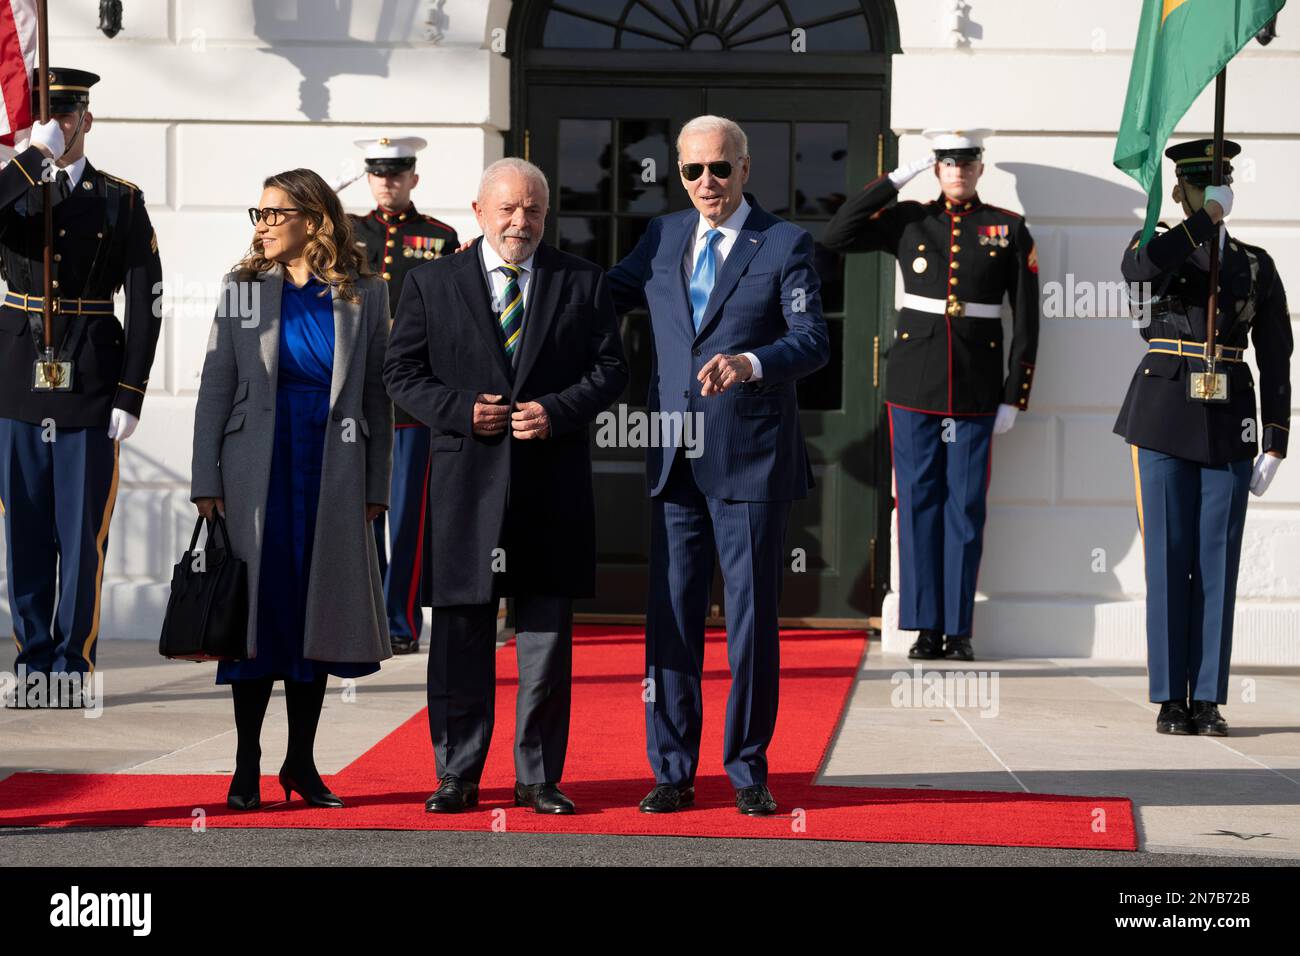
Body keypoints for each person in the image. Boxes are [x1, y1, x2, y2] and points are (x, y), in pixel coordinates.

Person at [384, 158, 627, 815]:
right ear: (479, 211)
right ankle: (457, 773)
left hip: (552, 490)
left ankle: (538, 776)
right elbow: (400, 373)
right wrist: (460, 410)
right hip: (465, 488)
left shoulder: (581, 281)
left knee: (546, 644)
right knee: (461, 637)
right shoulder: (430, 283)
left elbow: (611, 369)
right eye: (509, 209)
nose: (522, 221)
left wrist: (559, 410)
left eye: (535, 210)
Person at [606, 115, 829, 816]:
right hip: (674, 455)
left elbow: (813, 340)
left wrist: (751, 362)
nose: (708, 182)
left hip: (750, 459)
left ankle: (747, 769)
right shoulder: (662, 235)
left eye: (721, 169)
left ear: (745, 168)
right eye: (693, 170)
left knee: (752, 621)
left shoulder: (786, 243)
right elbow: (597, 296)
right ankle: (671, 769)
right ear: (679, 173)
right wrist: (500, 261)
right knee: (670, 619)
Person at [191, 169, 394, 810]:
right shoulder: (244, 287)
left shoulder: (365, 291)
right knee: (257, 618)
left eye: (275, 213)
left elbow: (377, 397)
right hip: (257, 470)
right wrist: (206, 479)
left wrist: (377, 484)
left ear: (314, 219)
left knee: (318, 617)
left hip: (333, 466)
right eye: (259, 212)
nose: (263, 224)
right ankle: (246, 762)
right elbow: (215, 384)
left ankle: (300, 764)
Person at [822, 128, 1040, 662]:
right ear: (937, 168)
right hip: (914, 384)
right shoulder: (910, 219)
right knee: (916, 503)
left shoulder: (1009, 229)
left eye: (967, 163)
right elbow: (837, 233)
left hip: (975, 387)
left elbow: (1029, 321)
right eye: (947, 163)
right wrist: (899, 176)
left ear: (980, 169)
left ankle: (958, 627)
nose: (958, 172)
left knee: (964, 506)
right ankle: (924, 626)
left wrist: (1016, 394)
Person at [1114, 139, 1291, 737]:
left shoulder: (1256, 264)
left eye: (1221, 184)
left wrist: (1275, 438)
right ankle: (1169, 697)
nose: (1215, 192)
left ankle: (1209, 697)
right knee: (1169, 557)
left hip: (1228, 418)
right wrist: (1200, 223)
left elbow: (1276, 354)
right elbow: (1139, 271)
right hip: (1162, 411)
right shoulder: (1159, 244)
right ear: (1182, 190)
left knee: (1218, 561)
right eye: (1202, 185)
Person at [0, 68, 161, 701]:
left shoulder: (120, 198)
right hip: (16, 384)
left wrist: (132, 391)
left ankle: (72, 663)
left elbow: (146, 300)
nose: (58, 127)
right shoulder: (15, 189)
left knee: (81, 532)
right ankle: (32, 660)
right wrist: (29, 159)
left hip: (91, 384)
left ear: (86, 120)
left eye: (67, 117)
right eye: (48, 117)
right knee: (27, 531)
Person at [347, 136, 459, 655]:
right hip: (359, 392)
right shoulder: (347, 232)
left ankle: (402, 622)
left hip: (415, 397)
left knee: (409, 516)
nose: (387, 181)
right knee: (363, 511)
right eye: (378, 173)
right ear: (368, 178)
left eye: (397, 173)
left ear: (413, 178)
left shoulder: (440, 237)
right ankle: (365, 613)